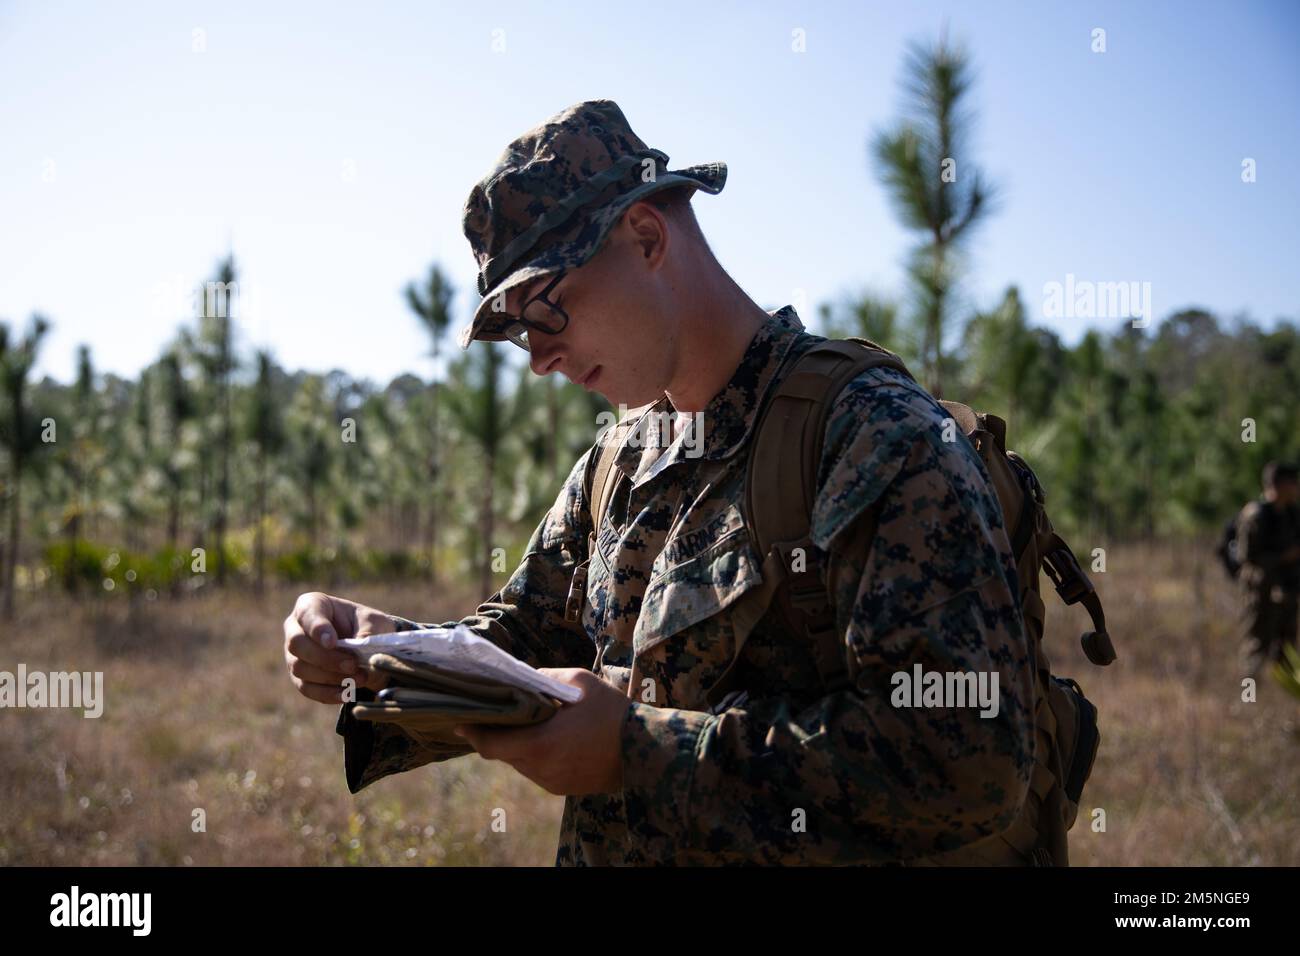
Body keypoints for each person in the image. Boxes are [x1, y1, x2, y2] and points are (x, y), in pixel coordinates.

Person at [282, 99, 1036, 865]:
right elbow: (529, 637)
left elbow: (971, 761)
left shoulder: (870, 434)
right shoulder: (616, 464)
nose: (539, 359)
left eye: (547, 311)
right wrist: (388, 659)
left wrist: (638, 749)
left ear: (645, 237)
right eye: (516, 332)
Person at [1235, 461, 1300, 675]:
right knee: (1257, 644)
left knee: (1287, 648)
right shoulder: (1256, 515)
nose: (1296, 488)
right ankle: (1249, 695)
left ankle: (1287, 697)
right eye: (1293, 483)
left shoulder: (1292, 514)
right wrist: (1283, 557)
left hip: (1287, 591)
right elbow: (1246, 557)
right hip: (1261, 591)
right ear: (1279, 485)